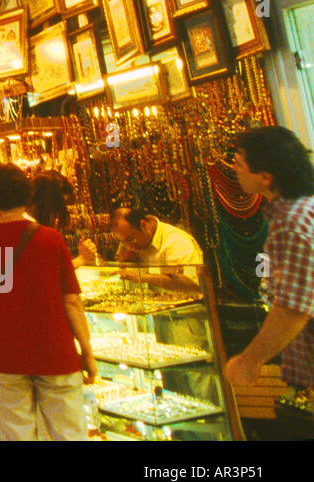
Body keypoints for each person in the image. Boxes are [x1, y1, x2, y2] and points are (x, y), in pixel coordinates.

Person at [0, 164, 97, 440]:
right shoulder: (50, 239)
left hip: (1, 350)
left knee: (16, 433)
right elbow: (71, 302)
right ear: (27, 196)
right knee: (69, 432)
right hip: (53, 349)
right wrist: (87, 351)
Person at [225, 126, 314, 393]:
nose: (234, 168)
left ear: (265, 177)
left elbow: (293, 309)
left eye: (239, 163)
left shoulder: (290, 224)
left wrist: (249, 361)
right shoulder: (305, 208)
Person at [81, 206, 204, 292]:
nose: (129, 246)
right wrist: (128, 263)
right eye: (123, 242)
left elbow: (193, 284)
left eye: (131, 240)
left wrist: (141, 276)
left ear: (144, 225)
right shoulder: (132, 243)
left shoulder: (177, 242)